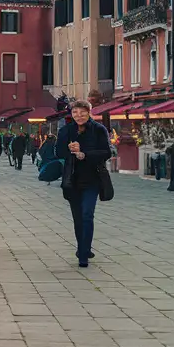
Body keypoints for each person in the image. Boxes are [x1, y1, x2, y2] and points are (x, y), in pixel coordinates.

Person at [56, 99, 113, 267]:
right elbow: (58, 152)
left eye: (82, 113)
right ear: (71, 114)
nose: (78, 116)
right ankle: (84, 248)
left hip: (92, 179)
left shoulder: (98, 130)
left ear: (89, 113)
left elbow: (106, 152)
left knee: (87, 214)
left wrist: (85, 154)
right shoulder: (66, 131)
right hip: (72, 180)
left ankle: (83, 254)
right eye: (75, 113)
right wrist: (69, 149)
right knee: (78, 218)